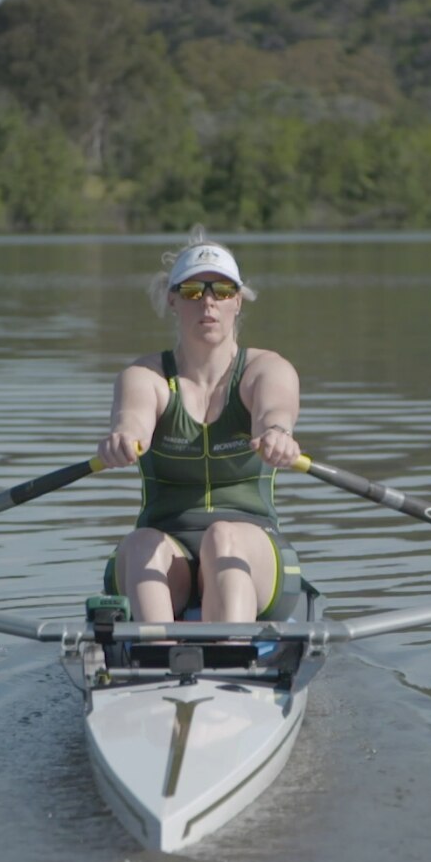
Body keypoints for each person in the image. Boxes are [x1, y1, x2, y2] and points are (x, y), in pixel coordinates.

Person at [96, 231, 303, 623]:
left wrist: (278, 432)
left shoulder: (266, 369)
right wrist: (125, 437)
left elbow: (274, 410)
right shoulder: (146, 375)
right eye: (192, 291)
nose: (208, 302)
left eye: (222, 290)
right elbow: (133, 418)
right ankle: (156, 657)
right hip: (163, 553)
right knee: (140, 544)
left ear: (238, 301)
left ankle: (229, 655)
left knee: (223, 537)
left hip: (253, 550)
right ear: (172, 300)